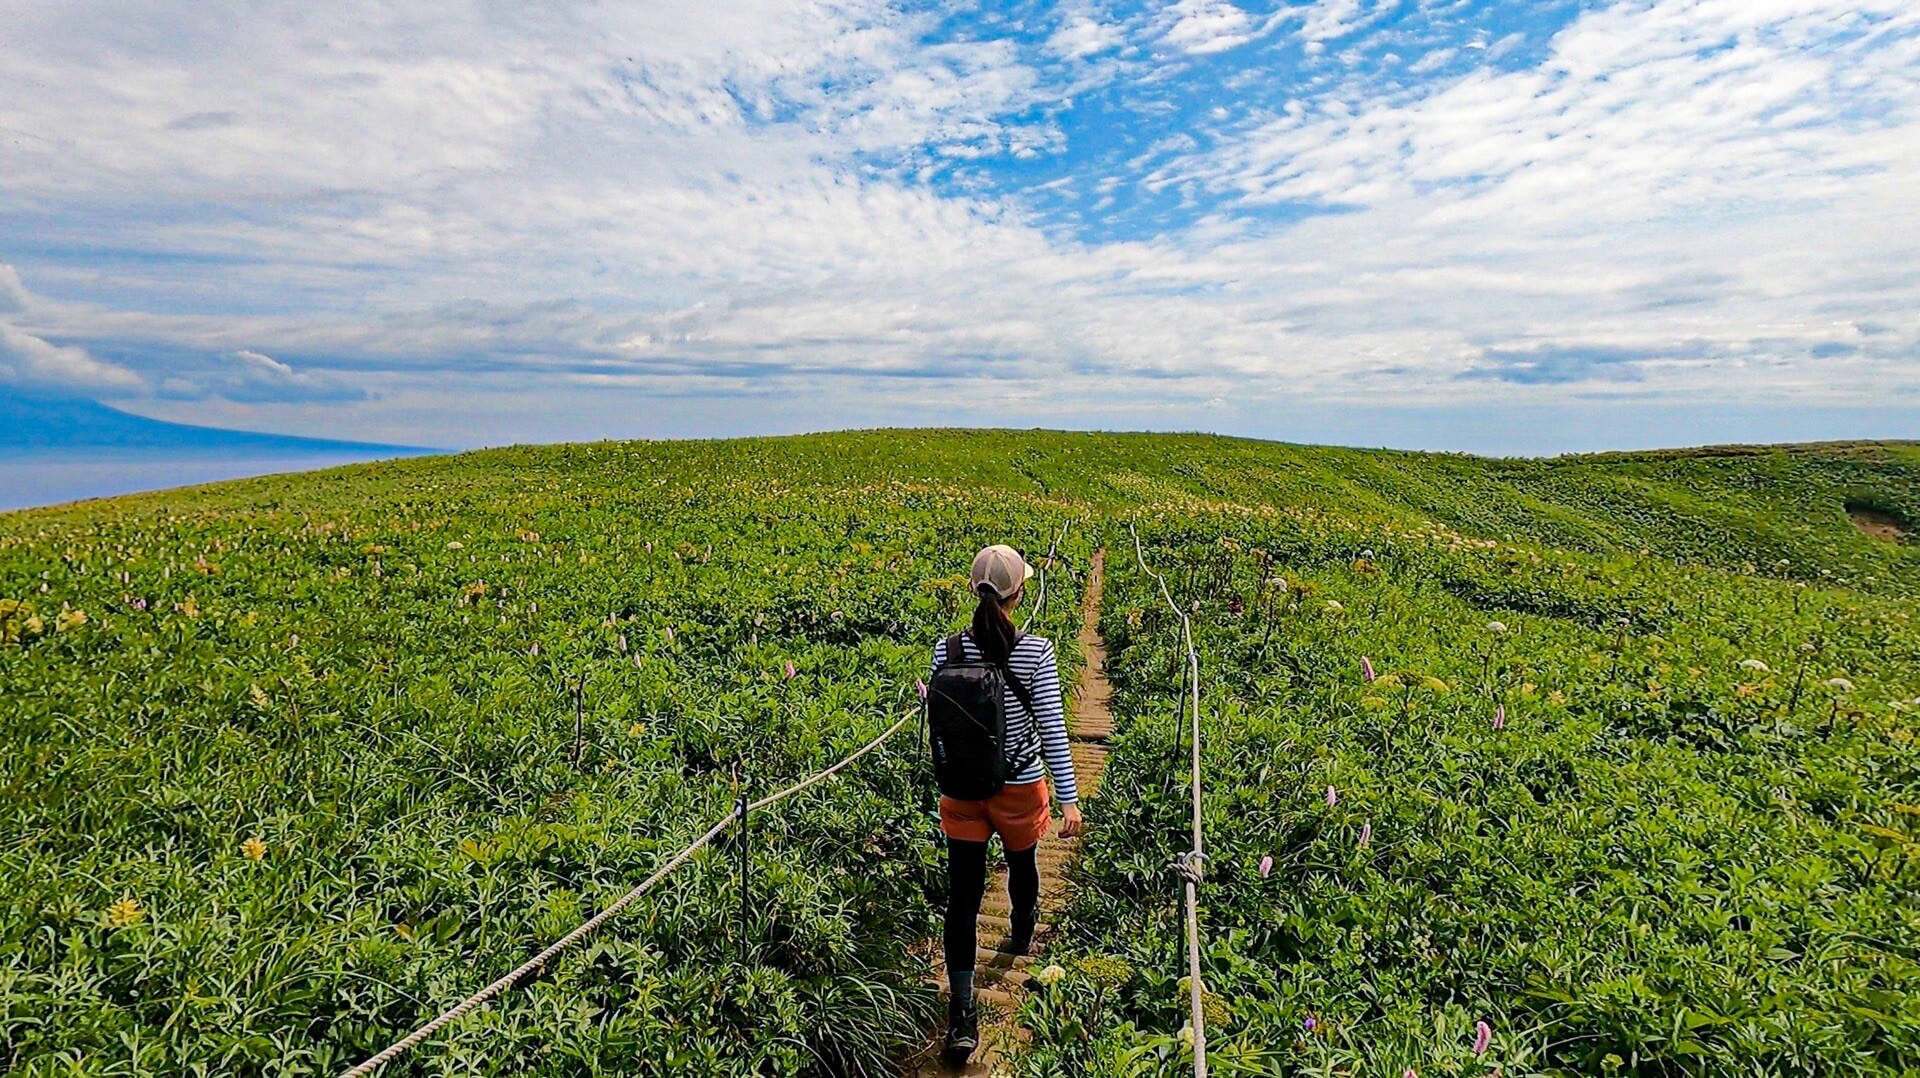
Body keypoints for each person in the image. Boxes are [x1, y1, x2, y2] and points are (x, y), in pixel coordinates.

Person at [930, 544, 1082, 1063]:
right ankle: (1020, 926)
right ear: (1020, 592)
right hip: (1019, 785)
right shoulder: (1036, 651)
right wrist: (1069, 800)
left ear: (975, 589)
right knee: (1023, 863)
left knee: (964, 898)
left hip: (962, 791)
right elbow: (1053, 731)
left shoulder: (946, 651)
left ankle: (962, 1017)